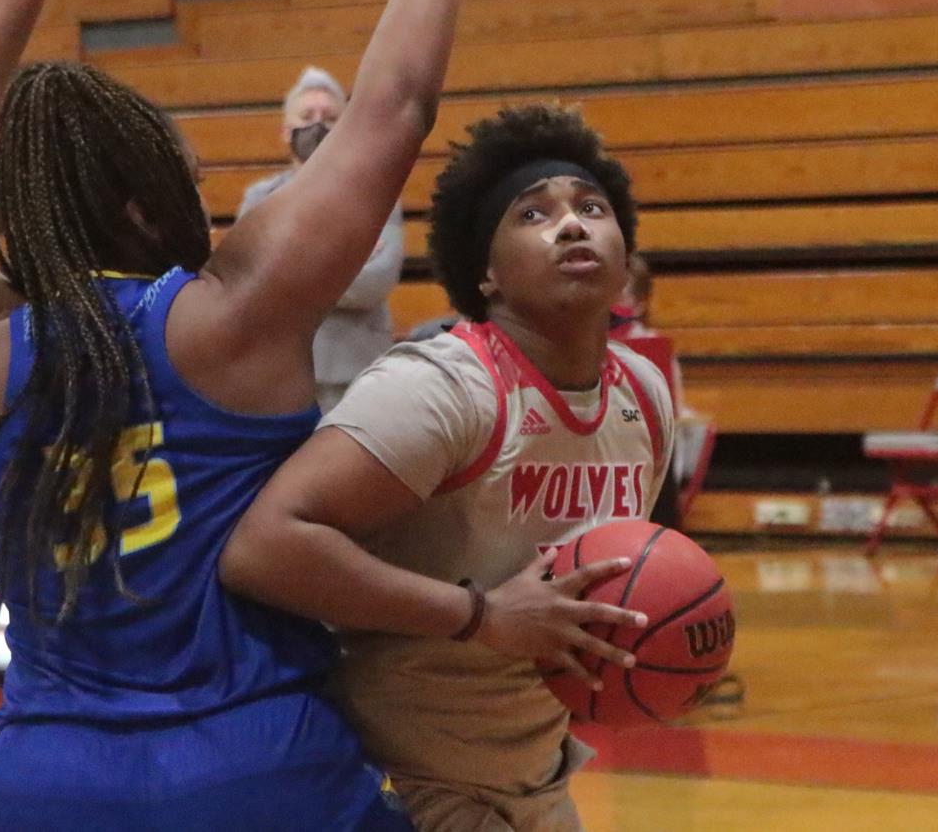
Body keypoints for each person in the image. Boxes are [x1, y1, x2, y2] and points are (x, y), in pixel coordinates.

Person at [0, 0, 608, 831]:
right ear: (147, 202)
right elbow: (395, 108)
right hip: (257, 766)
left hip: (50, 782)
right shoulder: (231, 312)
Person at [222, 104, 676, 832]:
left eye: (591, 207)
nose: (571, 224)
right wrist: (483, 616)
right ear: (487, 273)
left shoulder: (644, 398)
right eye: (534, 213)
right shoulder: (442, 388)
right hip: (396, 780)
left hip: (537, 774)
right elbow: (261, 547)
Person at [238, 67, 405, 412]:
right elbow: (249, 282)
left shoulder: (378, 196)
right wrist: (343, 259)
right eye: (307, 116)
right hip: (279, 373)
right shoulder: (259, 199)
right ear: (286, 131)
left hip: (359, 376)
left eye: (329, 117)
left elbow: (373, 283)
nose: (317, 125)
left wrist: (286, 265)